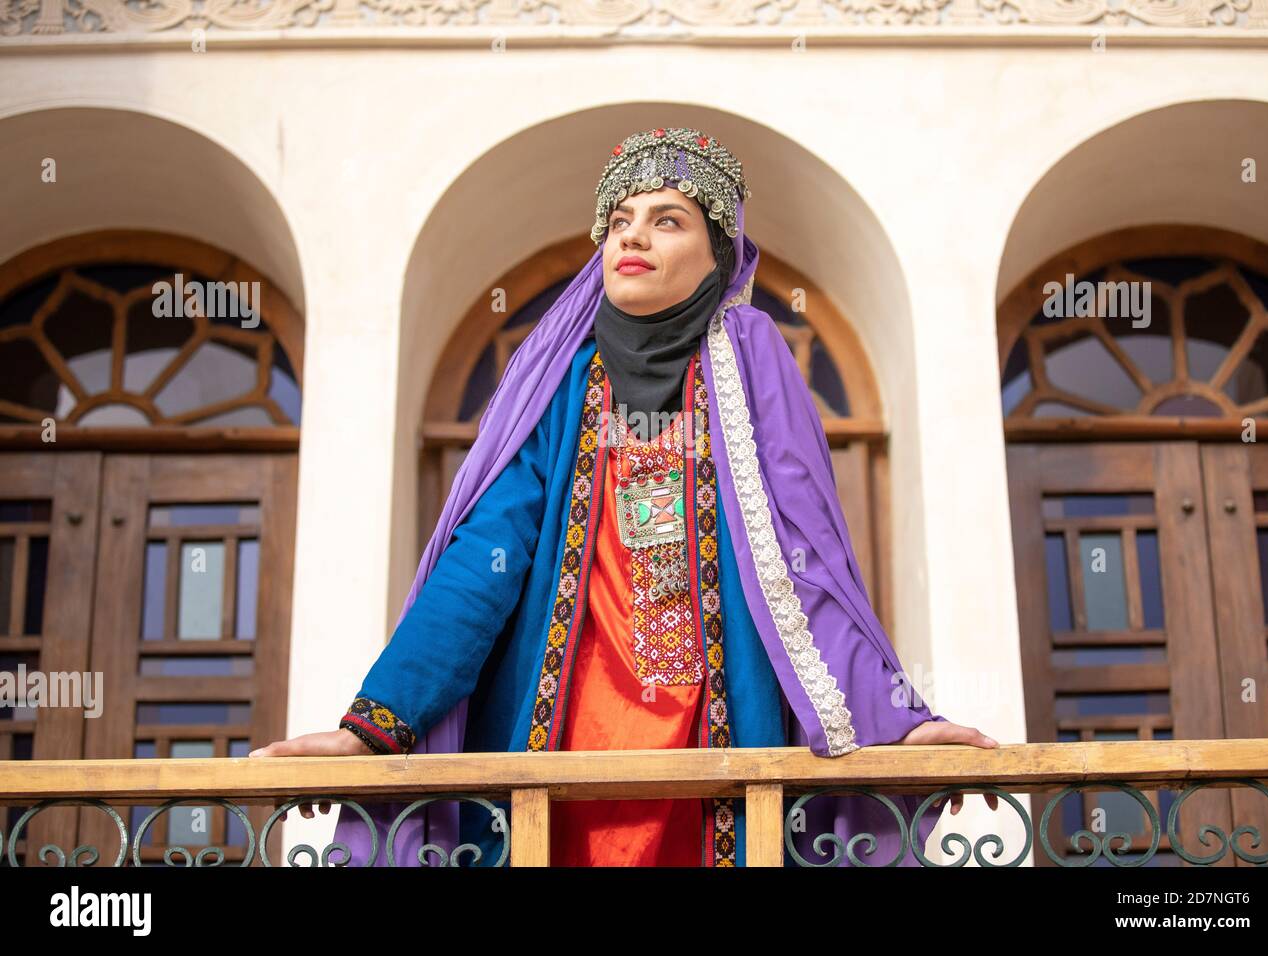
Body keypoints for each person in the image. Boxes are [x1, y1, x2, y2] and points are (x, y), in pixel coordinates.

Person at [251, 126, 998, 866]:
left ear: (719, 254)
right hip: (565, 756)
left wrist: (899, 719)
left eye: (667, 221)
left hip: (723, 747)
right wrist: (376, 722)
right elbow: (484, 560)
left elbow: (805, 556)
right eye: (618, 223)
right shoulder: (563, 384)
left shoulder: (750, 355)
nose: (631, 239)